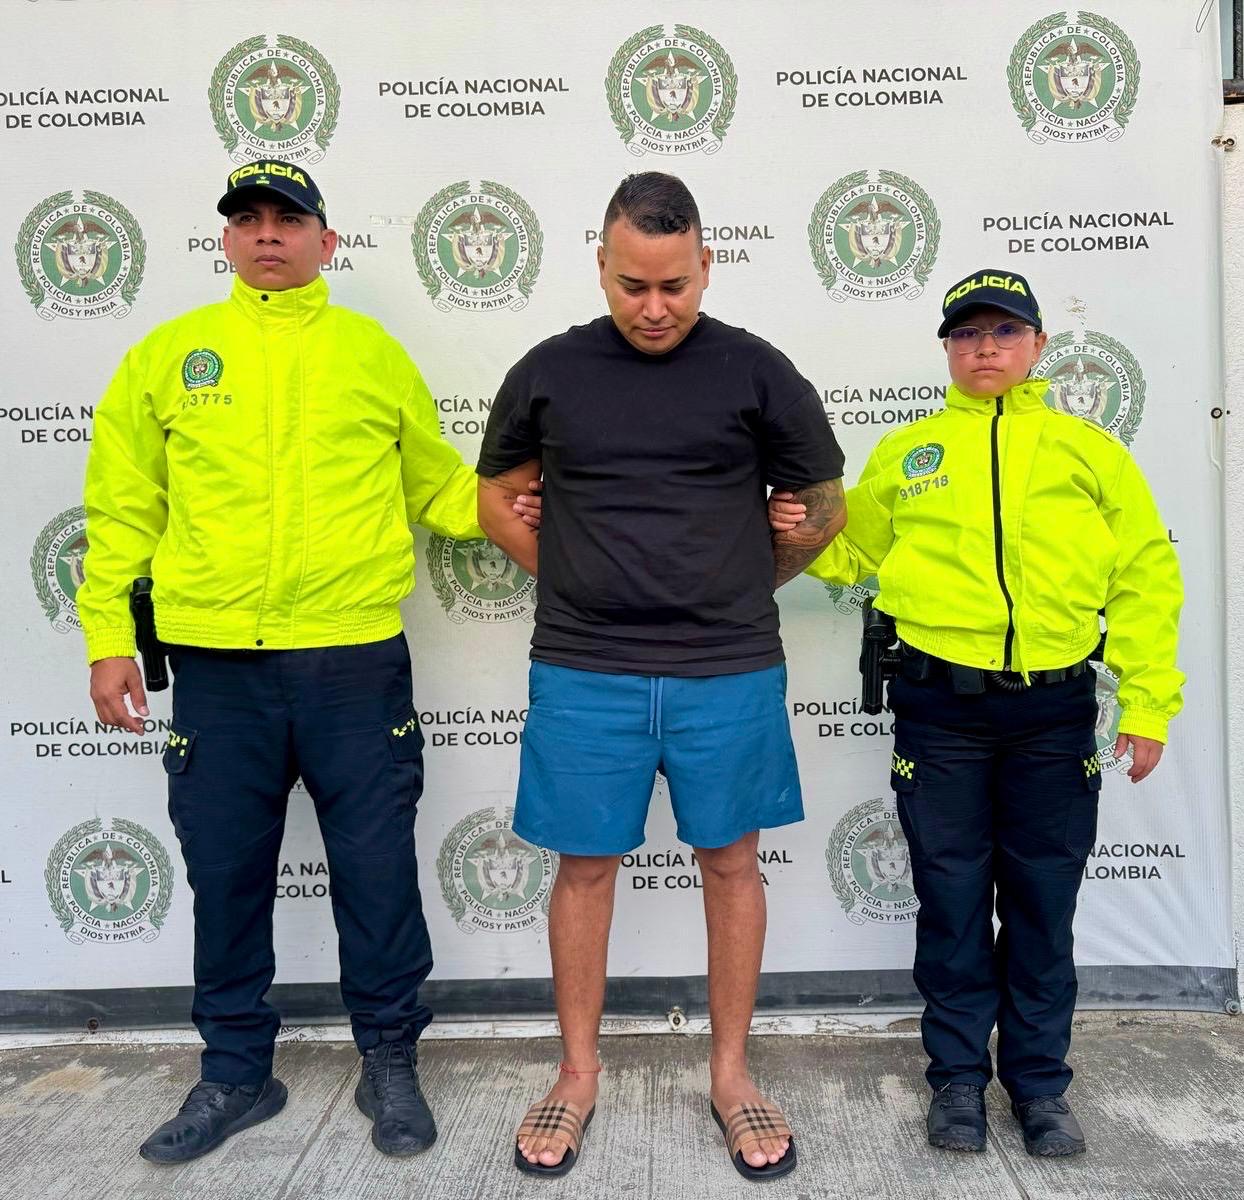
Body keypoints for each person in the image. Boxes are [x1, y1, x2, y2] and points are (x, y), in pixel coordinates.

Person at [78, 160, 537, 1164]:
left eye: (288, 218)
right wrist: (108, 633)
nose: (267, 234)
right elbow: (121, 511)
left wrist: (527, 496)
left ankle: (388, 1061)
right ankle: (236, 1073)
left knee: (375, 873)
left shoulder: (369, 354)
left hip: (351, 665)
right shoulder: (171, 356)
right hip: (217, 672)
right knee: (225, 874)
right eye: (247, 220)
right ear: (227, 242)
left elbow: (439, 491)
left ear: (328, 241)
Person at [478, 172, 846, 1181]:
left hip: (724, 668)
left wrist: (738, 577)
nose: (652, 308)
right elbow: (497, 496)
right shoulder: (549, 371)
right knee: (583, 869)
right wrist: (580, 576)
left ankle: (729, 1076)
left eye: (673, 286)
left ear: (704, 265)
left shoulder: (756, 371)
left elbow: (818, 504)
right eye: (632, 285)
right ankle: (575, 1075)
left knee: (729, 863)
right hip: (583, 668)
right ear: (600, 264)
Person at [772, 268, 1183, 1158]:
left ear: (1037, 346)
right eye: (965, 335)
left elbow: (1147, 580)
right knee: (951, 903)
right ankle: (957, 1081)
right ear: (947, 350)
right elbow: (852, 553)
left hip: (1053, 712)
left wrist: (1148, 702)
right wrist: (789, 527)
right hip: (940, 711)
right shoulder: (909, 453)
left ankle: (1040, 1087)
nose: (983, 348)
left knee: (1042, 906)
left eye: (1003, 332)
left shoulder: (1090, 454)